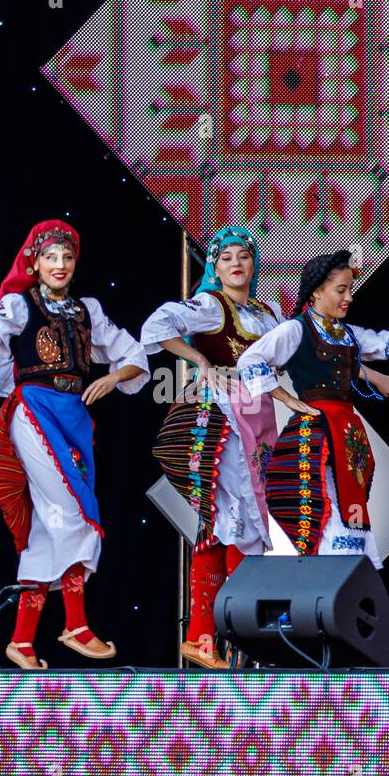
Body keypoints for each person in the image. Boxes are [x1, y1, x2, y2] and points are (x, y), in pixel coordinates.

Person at [0, 220, 149, 670]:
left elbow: (134, 356)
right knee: (75, 512)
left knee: (52, 523)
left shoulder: (88, 309)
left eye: (67, 257)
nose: (59, 265)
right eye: (51, 257)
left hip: (74, 416)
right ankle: (75, 623)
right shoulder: (19, 304)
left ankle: (23, 640)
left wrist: (111, 377)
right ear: (35, 262)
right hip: (33, 409)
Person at [236, 250, 389, 566]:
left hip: (345, 430)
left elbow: (387, 345)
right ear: (317, 291)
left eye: (350, 290)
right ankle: (326, 574)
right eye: (341, 290)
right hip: (314, 432)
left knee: (348, 500)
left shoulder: (345, 334)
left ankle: (347, 575)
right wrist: (286, 398)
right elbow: (250, 358)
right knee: (320, 503)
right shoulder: (296, 329)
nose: (349, 298)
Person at [140, 226, 282, 669]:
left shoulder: (267, 311)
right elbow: (156, 326)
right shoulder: (209, 306)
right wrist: (198, 359)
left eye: (244, 256)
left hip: (259, 417)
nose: (236, 264)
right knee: (234, 519)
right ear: (214, 267)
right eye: (226, 258)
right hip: (223, 418)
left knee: (234, 524)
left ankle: (208, 636)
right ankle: (230, 634)